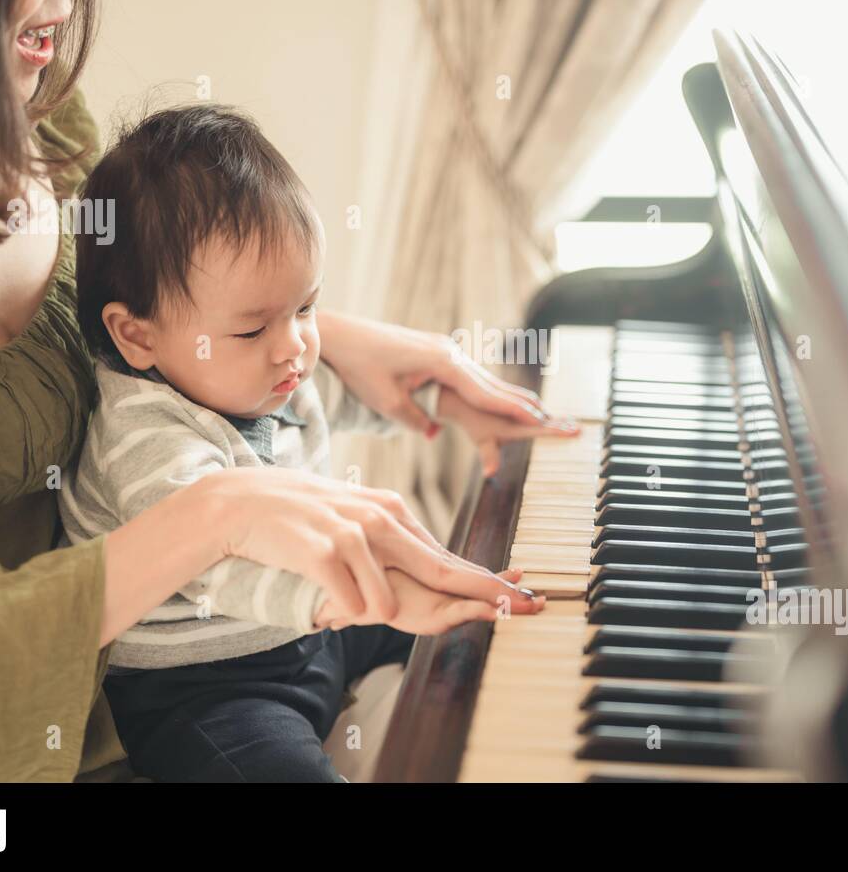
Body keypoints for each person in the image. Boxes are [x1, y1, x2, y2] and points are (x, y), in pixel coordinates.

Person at [0, 0, 573, 781]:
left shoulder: (40, 117)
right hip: (89, 721)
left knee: (501, 624)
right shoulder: (147, 449)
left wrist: (334, 342)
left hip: (267, 641)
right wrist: (301, 561)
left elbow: (184, 322)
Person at [60, 104, 571, 781]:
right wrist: (368, 591)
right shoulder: (144, 436)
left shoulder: (277, 372)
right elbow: (224, 563)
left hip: (316, 629)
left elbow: (360, 394)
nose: (295, 346)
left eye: (304, 307)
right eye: (251, 330)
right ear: (137, 335)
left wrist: (457, 406)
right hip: (209, 688)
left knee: (480, 621)